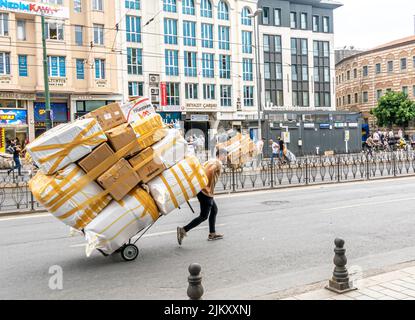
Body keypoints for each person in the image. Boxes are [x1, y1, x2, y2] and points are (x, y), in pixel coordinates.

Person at [177, 149, 227, 244]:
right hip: (206, 192)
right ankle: (183, 230)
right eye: (225, 155)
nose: (226, 158)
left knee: (214, 210)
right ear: (221, 155)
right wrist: (207, 186)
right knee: (203, 216)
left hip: (203, 190)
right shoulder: (217, 163)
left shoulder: (210, 160)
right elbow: (209, 170)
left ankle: (212, 233)